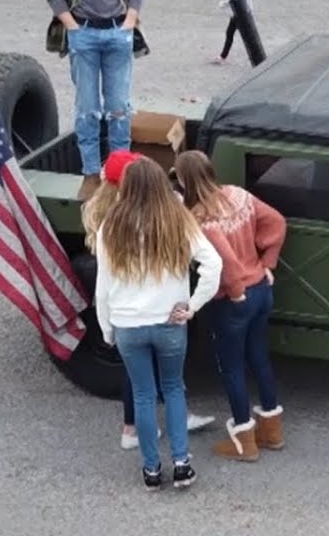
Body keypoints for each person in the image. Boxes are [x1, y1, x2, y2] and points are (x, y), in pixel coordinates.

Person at [94, 153, 223, 490]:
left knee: (143, 395)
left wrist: (107, 329)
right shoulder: (176, 219)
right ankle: (182, 463)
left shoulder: (111, 224)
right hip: (170, 321)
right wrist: (193, 305)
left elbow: (103, 288)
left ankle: (151, 469)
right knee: (173, 389)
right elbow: (213, 264)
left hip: (127, 324)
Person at [34, 0, 151, 196]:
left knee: (118, 108)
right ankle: (90, 174)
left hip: (117, 31)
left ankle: (119, 174)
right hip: (83, 33)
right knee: (87, 108)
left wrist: (130, 19)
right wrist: (70, 24)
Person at [171, 150, 289, 463]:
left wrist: (235, 288)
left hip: (234, 300)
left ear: (184, 180)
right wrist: (268, 262)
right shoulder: (238, 194)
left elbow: (223, 259)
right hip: (262, 291)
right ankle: (271, 430)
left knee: (232, 369)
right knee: (259, 357)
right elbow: (276, 221)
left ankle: (244, 439)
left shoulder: (197, 218)